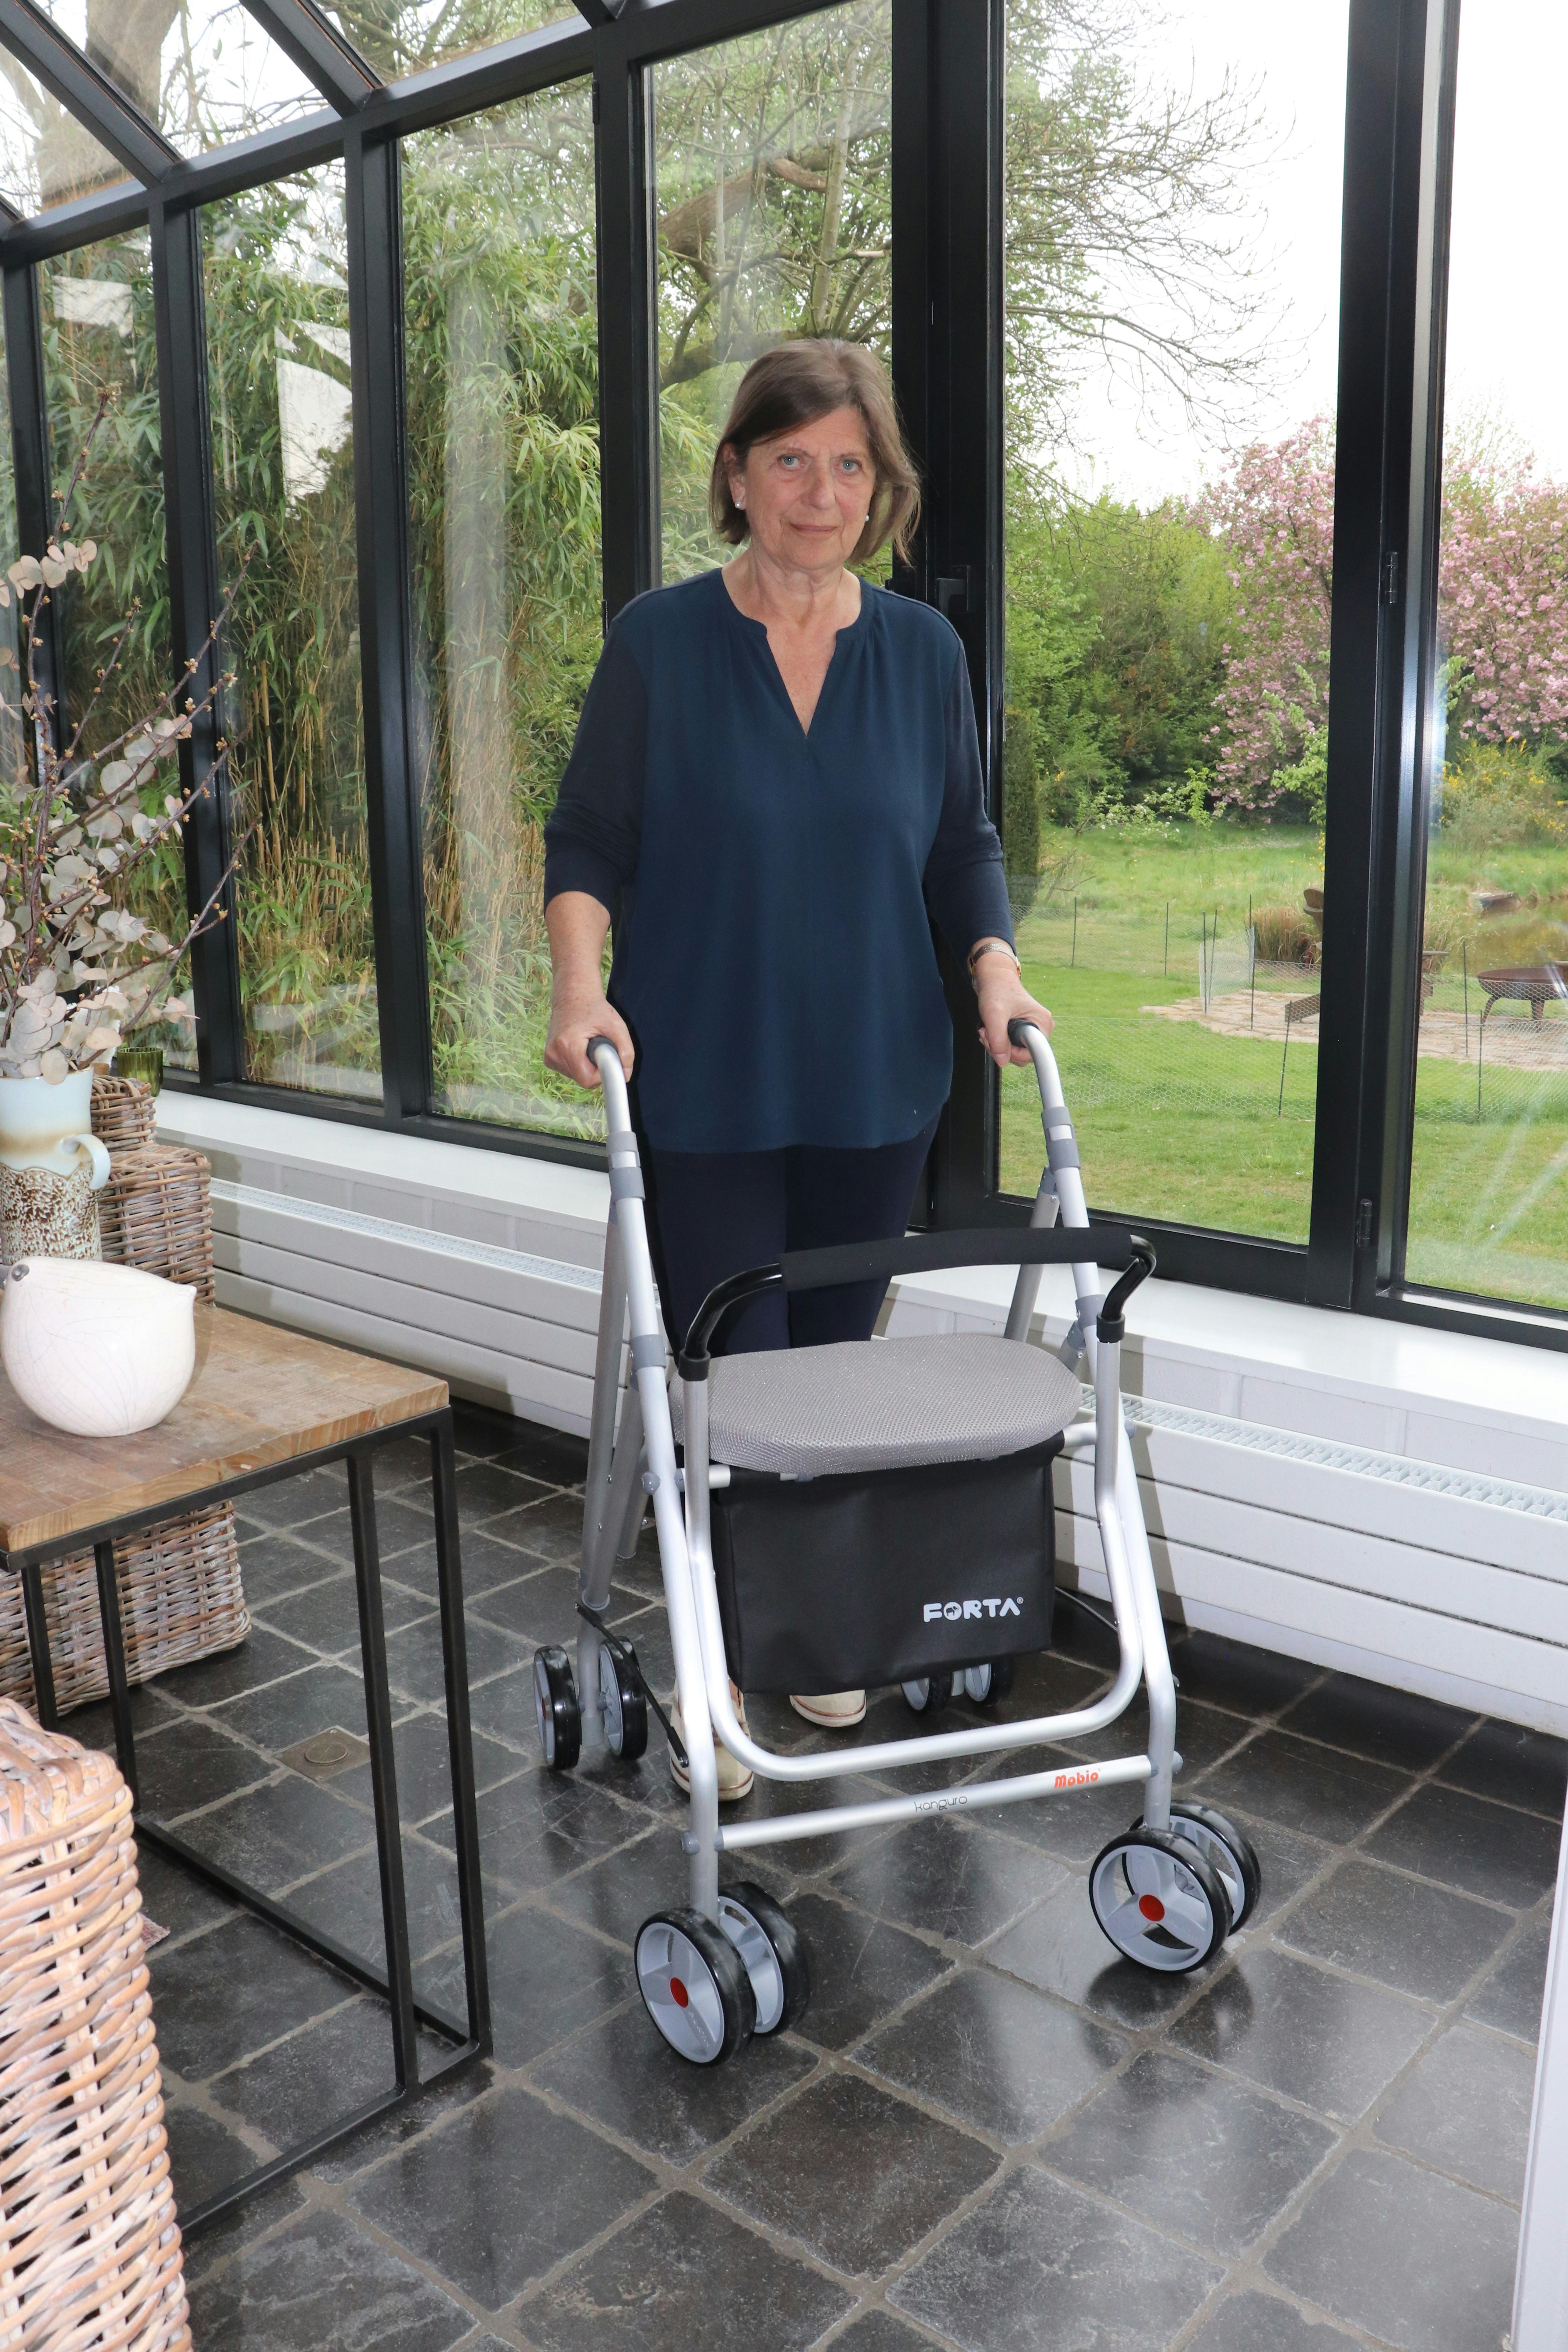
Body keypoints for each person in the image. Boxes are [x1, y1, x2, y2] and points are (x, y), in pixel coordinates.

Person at [543, 337, 1052, 1797]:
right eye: (790, 461)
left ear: (878, 488)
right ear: (738, 476)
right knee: (728, 1389)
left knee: (825, 1377)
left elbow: (962, 846)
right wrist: (582, 987)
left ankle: (799, 1630)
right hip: (698, 1077)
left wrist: (994, 967)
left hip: (873, 1083)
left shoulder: (925, 654)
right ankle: (726, 1645)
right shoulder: (661, 641)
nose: (820, 492)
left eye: (848, 465)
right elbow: (590, 841)